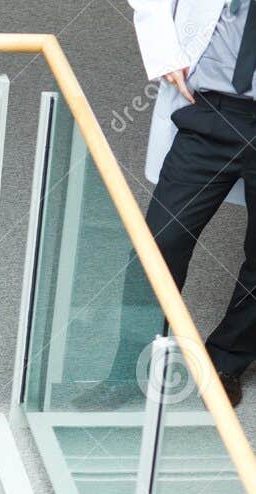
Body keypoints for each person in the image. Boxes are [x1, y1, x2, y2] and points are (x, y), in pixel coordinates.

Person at [116, 0, 256, 405]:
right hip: (211, 108)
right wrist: (165, 53)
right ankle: (131, 363)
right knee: (160, 240)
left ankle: (226, 361)